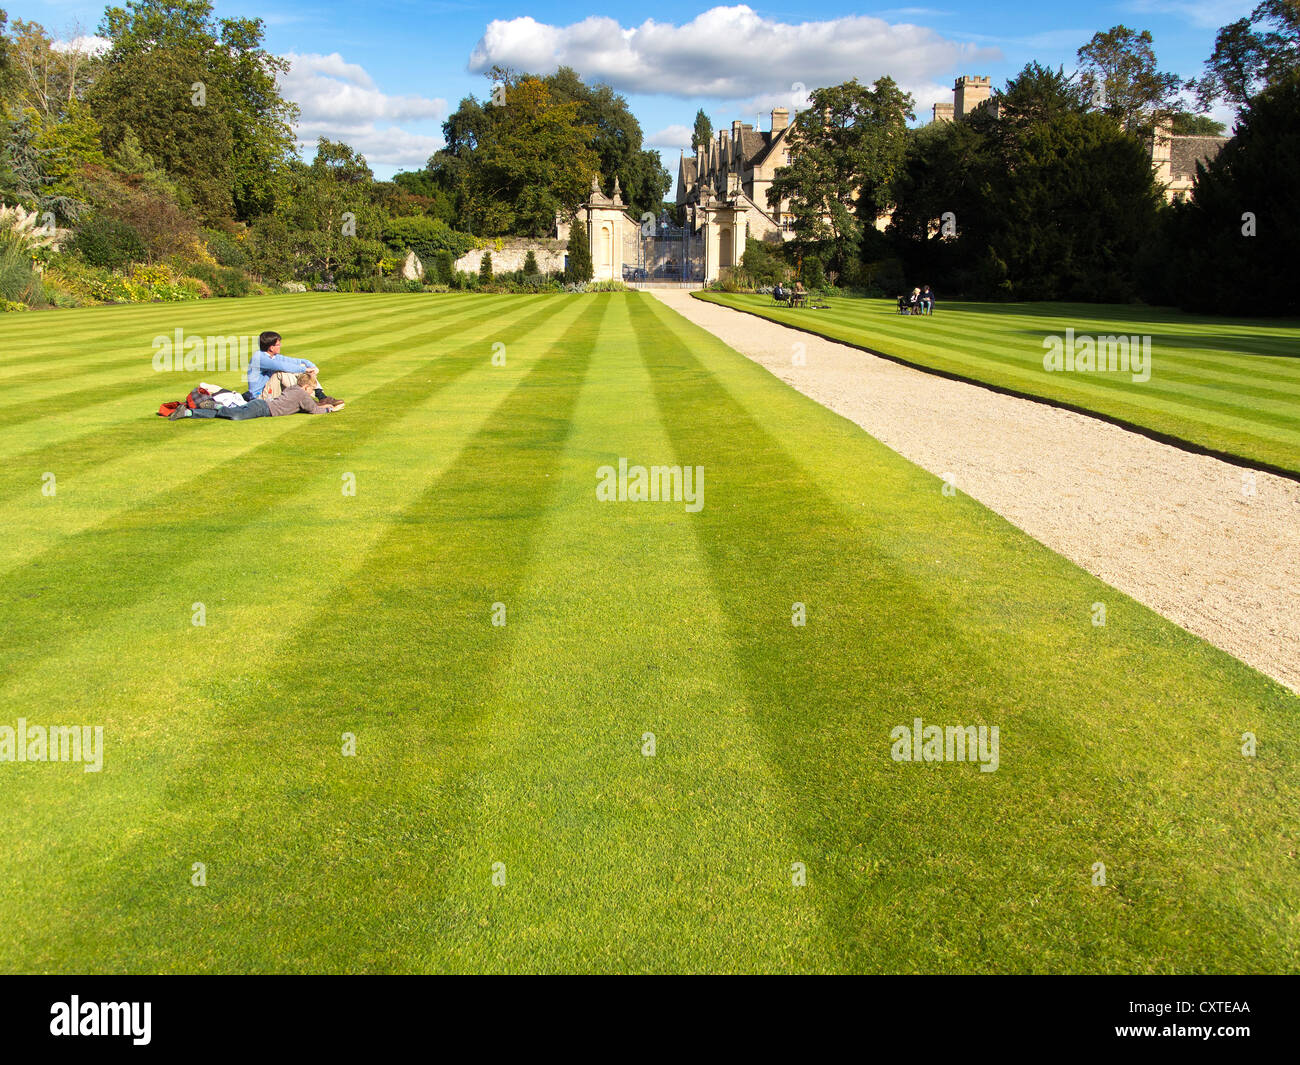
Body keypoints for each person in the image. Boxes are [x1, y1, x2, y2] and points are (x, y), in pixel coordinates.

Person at [247, 331, 337, 404]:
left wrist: (311, 366)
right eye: (278, 345)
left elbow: (296, 361)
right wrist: (305, 370)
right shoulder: (259, 358)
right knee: (282, 372)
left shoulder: (273, 356)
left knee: (300, 366)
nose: (280, 346)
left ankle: (321, 396)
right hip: (260, 397)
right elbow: (282, 366)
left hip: (271, 391)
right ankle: (308, 400)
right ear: (271, 348)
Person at [218, 371, 342, 420]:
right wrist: (330, 409)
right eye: (312, 389)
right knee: (236, 416)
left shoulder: (294, 388)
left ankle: (204, 410)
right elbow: (314, 410)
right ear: (306, 387)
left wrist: (324, 404)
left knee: (227, 413)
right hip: (263, 408)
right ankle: (216, 407)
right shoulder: (302, 394)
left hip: (262, 405)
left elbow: (308, 406)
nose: (312, 392)